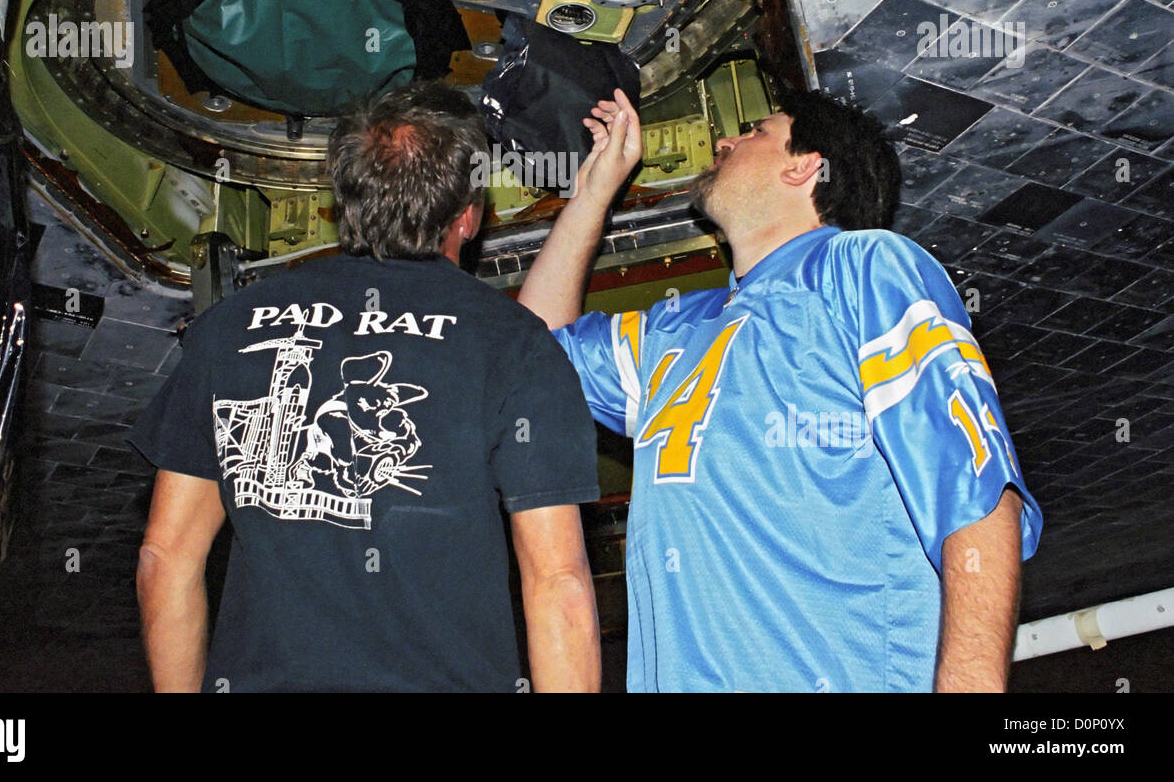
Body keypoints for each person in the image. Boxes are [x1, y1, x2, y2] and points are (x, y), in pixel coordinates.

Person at [519, 84, 1043, 692]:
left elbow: (976, 494)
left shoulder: (861, 267)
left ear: (805, 166)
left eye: (755, 131)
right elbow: (531, 357)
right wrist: (595, 189)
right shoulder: (675, 331)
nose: (725, 139)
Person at [130, 81, 601, 692]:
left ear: (343, 201)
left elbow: (163, 560)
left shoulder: (230, 328)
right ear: (469, 215)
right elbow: (558, 580)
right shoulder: (514, 343)